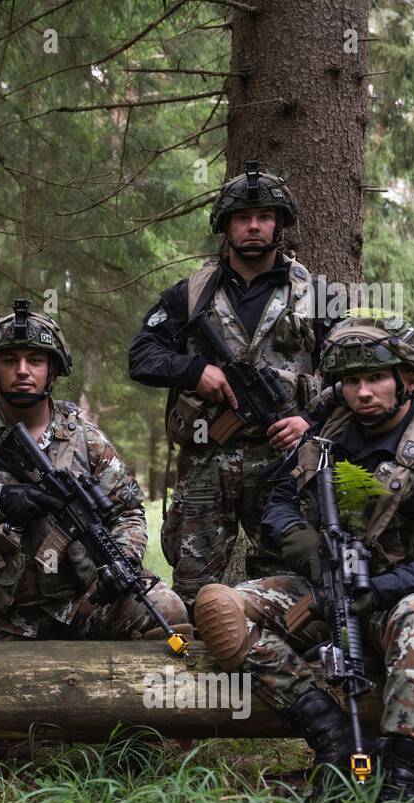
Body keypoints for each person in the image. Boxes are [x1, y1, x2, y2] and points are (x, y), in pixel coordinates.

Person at [194, 311, 414, 803]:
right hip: (331, 590)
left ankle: (402, 790)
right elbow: (279, 505)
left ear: (407, 380)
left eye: (376, 377)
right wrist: (308, 548)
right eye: (351, 381)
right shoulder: (326, 435)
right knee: (217, 605)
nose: (363, 392)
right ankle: (332, 736)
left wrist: (378, 591)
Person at [0, 300, 189, 642]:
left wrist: (123, 561)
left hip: (80, 601)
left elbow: (128, 512)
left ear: (52, 371)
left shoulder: (86, 438)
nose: (22, 370)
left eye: (35, 361)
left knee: (167, 609)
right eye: (10, 360)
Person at [128, 161, 328, 613]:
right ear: (226, 226)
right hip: (205, 459)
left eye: (263, 216)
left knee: (288, 582)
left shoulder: (316, 293)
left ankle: (276, 671)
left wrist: (309, 422)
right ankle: (197, 673)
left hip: (286, 462)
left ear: (279, 224)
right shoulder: (191, 293)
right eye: (242, 217)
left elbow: (349, 379)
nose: (253, 226)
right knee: (194, 587)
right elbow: (141, 357)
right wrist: (195, 370)